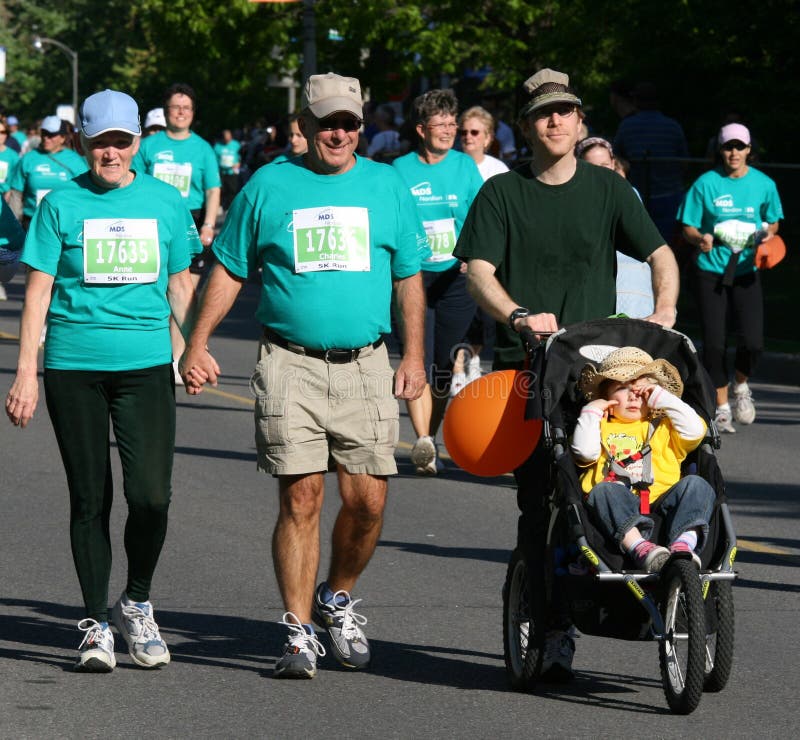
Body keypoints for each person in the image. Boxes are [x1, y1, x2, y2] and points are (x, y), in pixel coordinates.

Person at [179, 72, 427, 680]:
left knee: (367, 500)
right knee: (301, 495)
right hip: (288, 361)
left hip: (366, 362)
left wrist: (415, 355)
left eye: (349, 123)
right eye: (327, 123)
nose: (338, 133)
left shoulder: (386, 185)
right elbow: (230, 268)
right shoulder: (270, 185)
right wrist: (196, 342)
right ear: (306, 127)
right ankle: (297, 632)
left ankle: (336, 597)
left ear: (360, 128)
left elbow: (409, 276)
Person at [454, 67, 679, 681]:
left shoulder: (607, 191)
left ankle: (663, 583)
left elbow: (660, 253)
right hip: (529, 370)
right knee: (541, 503)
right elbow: (478, 270)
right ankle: (551, 628)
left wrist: (665, 310)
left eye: (566, 111)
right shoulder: (503, 193)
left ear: (580, 121)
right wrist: (519, 315)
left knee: (634, 480)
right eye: (543, 114)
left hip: (603, 370)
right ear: (526, 126)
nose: (555, 121)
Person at [4, 89, 205, 672]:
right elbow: (37, 293)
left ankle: (136, 602)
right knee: (90, 497)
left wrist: (192, 348)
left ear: (138, 141)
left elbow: (180, 285)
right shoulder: (60, 205)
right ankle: (95, 622)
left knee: (151, 496)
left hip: (144, 367)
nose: (111, 153)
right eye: (101, 143)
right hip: (73, 366)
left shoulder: (166, 204)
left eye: (122, 141)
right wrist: (26, 376)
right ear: (83, 143)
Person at [393, 89, 484, 475]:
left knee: (445, 367)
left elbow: (483, 215)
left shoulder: (465, 167)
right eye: (440, 123)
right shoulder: (399, 170)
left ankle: (428, 435)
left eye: (453, 123)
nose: (449, 130)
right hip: (413, 275)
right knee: (417, 359)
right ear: (420, 129)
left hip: (455, 277)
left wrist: (473, 255)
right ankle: (423, 439)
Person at [677, 122, 783, 434]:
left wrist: (765, 233)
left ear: (750, 149)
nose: (733, 152)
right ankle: (721, 407)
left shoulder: (763, 184)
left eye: (740, 146)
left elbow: (774, 222)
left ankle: (741, 387)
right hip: (711, 267)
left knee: (753, 342)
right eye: (728, 146)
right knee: (714, 343)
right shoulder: (706, 184)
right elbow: (689, 226)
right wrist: (700, 239)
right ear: (719, 150)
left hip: (747, 269)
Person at [572, 347, 714, 571]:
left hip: (662, 507)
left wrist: (662, 398)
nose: (633, 396)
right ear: (606, 395)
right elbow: (584, 453)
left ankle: (683, 545)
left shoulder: (666, 426)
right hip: (617, 510)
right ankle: (639, 547)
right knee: (603, 491)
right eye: (621, 388)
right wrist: (591, 413)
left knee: (697, 485)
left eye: (641, 389)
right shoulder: (598, 426)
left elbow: (695, 430)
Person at [133, 83, 221, 380]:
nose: (181, 113)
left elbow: (212, 189)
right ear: (166, 111)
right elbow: (134, 183)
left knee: (186, 291)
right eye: (175, 107)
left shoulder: (202, 148)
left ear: (193, 113)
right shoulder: (149, 146)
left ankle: (176, 358)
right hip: (155, 222)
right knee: (161, 289)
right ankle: (157, 351)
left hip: (191, 222)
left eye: (186, 108)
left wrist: (209, 224)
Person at [450, 105, 510, 393]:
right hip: (452, 253)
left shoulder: (498, 170)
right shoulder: (450, 166)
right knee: (457, 315)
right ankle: (457, 366)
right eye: (463, 132)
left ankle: (473, 357)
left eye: (474, 132)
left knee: (483, 317)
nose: (468, 137)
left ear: (488, 137)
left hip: (488, 255)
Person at [575, 136, 654, 318]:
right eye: (592, 166)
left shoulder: (629, 193)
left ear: (613, 163)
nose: (600, 172)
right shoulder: (573, 199)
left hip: (632, 287)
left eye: (604, 165)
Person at [613, 82, 689, 243]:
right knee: (667, 243)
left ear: (636, 101)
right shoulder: (673, 126)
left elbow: (616, 158)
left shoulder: (627, 126)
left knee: (640, 242)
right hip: (670, 195)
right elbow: (684, 163)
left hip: (638, 194)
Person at [5, 116, 88, 229]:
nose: (46, 138)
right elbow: (16, 194)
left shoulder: (75, 161)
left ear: (62, 137)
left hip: (66, 222)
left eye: (51, 134)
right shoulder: (28, 158)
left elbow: (85, 193)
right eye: (44, 133)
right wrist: (14, 225)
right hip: (32, 222)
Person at [214, 128, 241, 211]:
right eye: (225, 137)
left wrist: (239, 162)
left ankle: (230, 207)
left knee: (232, 189)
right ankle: (221, 205)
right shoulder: (217, 146)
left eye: (229, 137)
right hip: (221, 171)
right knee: (222, 190)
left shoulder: (236, 145)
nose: (227, 139)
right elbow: (214, 159)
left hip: (232, 171)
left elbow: (240, 155)